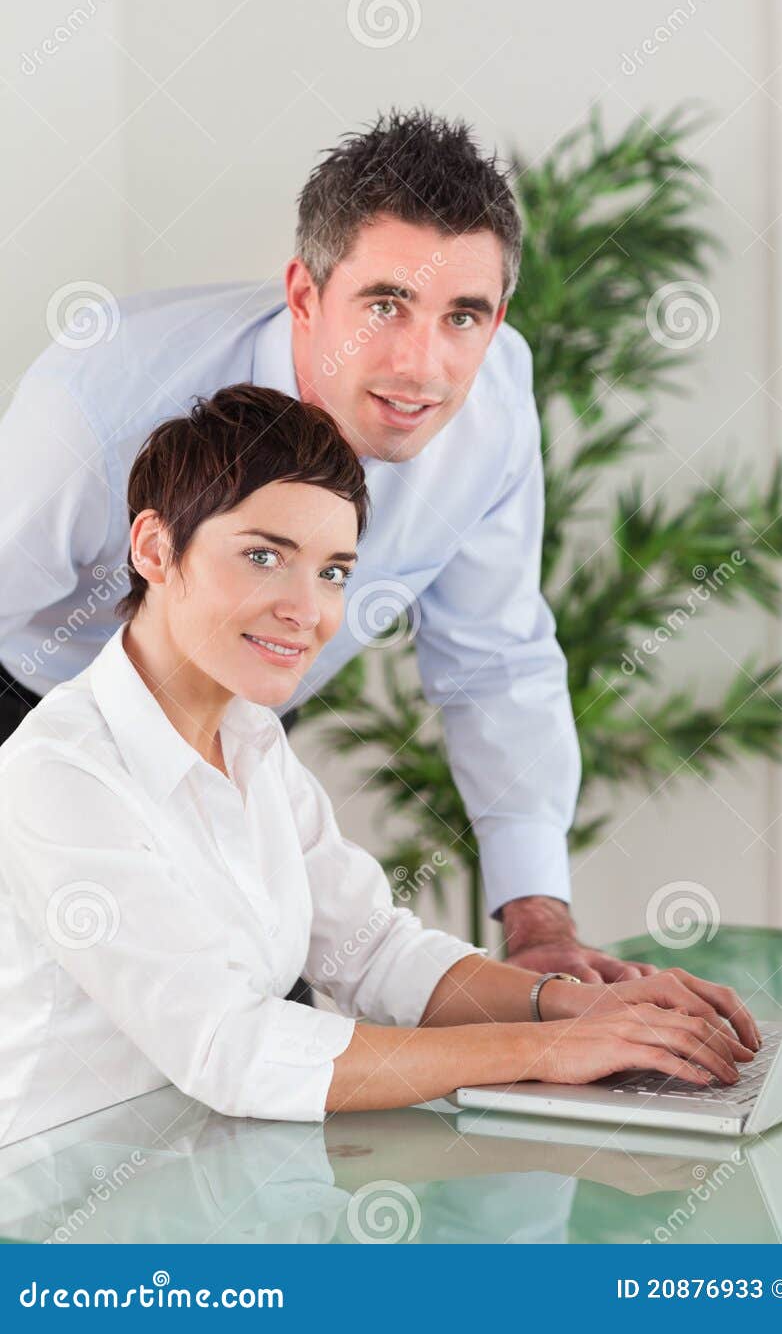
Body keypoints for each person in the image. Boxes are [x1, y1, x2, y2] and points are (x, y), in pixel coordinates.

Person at [0, 386, 760, 1150]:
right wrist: (547, 1050)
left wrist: (573, 1006)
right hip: (61, 1197)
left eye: (332, 572)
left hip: (210, 1170)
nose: (307, 610)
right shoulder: (59, 774)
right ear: (154, 548)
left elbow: (370, 951)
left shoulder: (250, 738)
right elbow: (228, 1049)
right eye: (263, 557)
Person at [0, 109, 637, 981]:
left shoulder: (491, 408)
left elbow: (496, 659)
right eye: (386, 305)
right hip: (32, 710)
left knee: (275, 1002)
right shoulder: (101, 401)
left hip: (240, 719)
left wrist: (539, 927)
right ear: (304, 295)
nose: (422, 367)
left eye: (463, 316)